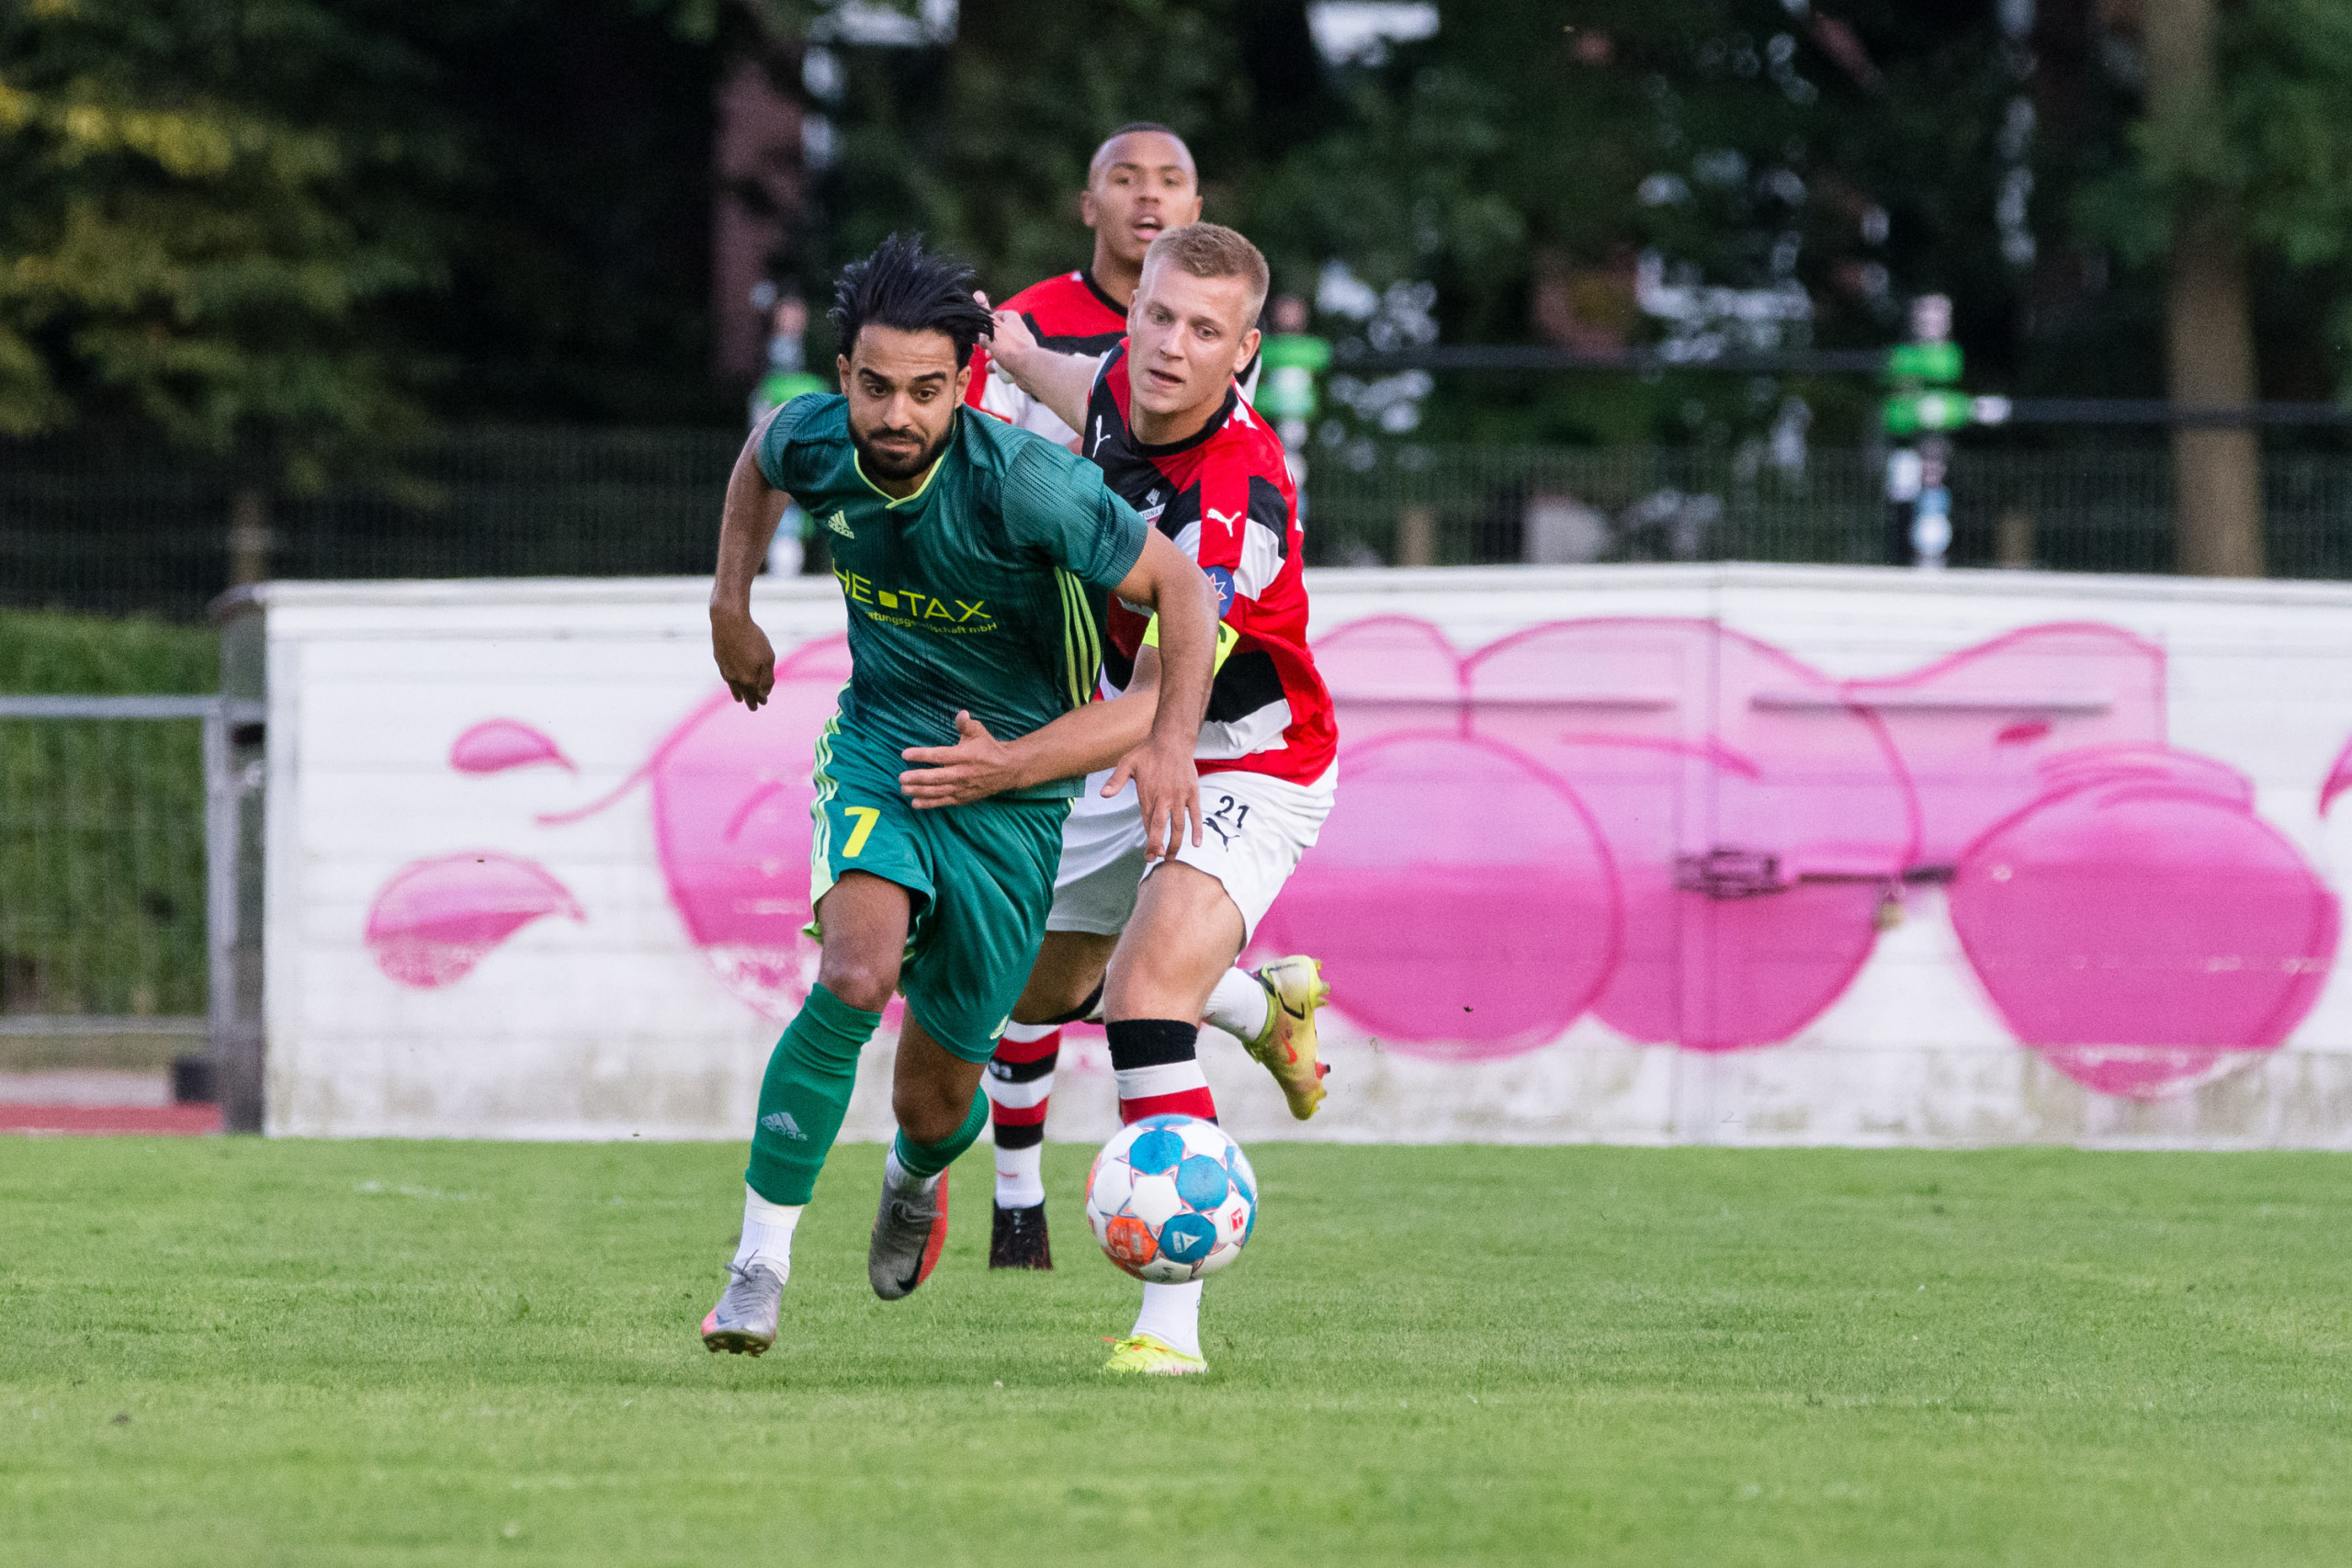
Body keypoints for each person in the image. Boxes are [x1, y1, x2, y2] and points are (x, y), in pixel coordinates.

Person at [699, 233, 1220, 1357]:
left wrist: (1166, 742)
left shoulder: (1028, 486)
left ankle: (915, 1174)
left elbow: (1183, 590)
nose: (897, 415)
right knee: (853, 974)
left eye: (926, 391)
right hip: (883, 750)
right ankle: (757, 1267)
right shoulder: (814, 437)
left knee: (933, 1102)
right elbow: (759, 459)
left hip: (1015, 801)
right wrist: (729, 606)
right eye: (877, 387)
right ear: (843, 375)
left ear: (964, 382)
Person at [901, 223, 1340, 1375]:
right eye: (1157, 317)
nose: (1171, 347)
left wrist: (1008, 765)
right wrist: (1006, 349)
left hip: (1246, 760)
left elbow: (1159, 702)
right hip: (1129, 739)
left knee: (1145, 997)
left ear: (1244, 353)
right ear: (1132, 314)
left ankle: (1168, 1334)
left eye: (1205, 331)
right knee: (1044, 990)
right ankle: (1260, 1009)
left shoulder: (1236, 498)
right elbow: (1073, 382)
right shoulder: (1119, 385)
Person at [964, 123, 1257, 448]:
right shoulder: (1012, 329)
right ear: (1089, 206)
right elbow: (972, 465)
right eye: (1125, 180)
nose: (1149, 194)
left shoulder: (1225, 338)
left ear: (1195, 212)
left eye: (1170, 181)